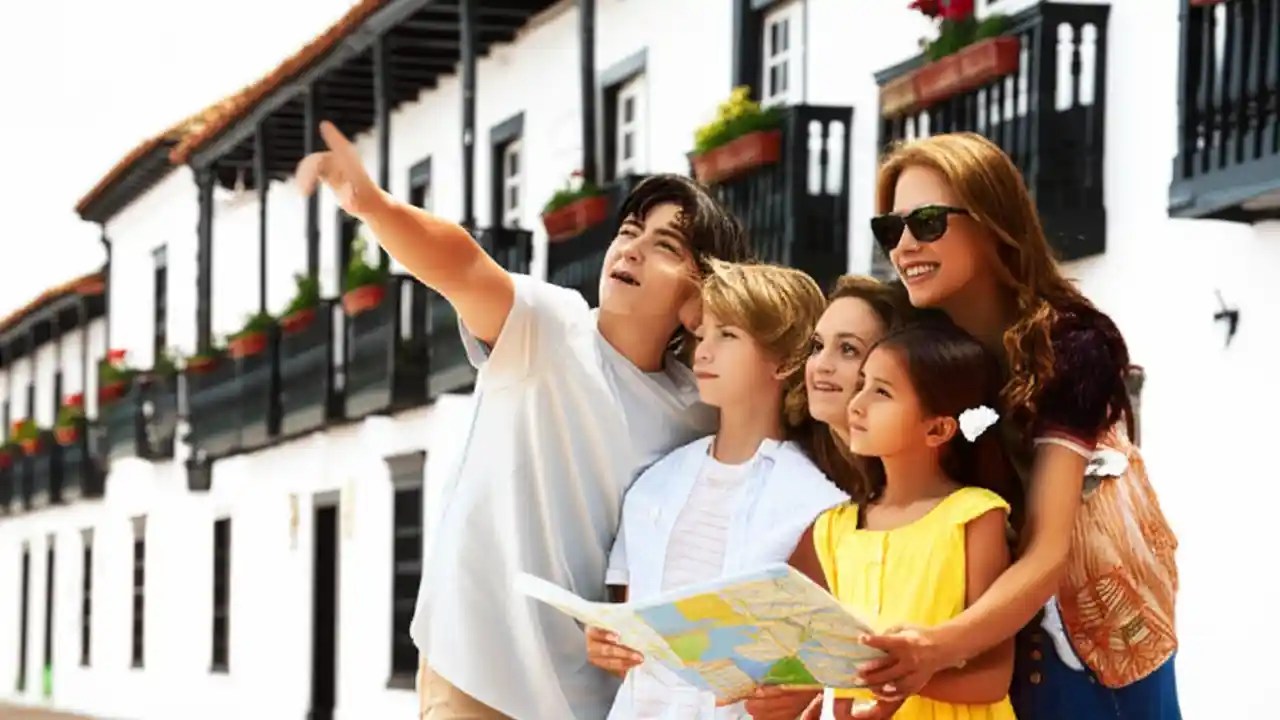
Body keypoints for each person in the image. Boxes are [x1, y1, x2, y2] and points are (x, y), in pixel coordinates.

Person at [297, 121, 753, 719]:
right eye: (629, 231)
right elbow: (460, 264)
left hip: (595, 696)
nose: (632, 248)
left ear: (697, 299)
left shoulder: (697, 411)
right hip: (477, 671)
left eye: (666, 246)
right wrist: (374, 207)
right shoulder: (549, 325)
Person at [856, 132, 1181, 719]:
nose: (903, 247)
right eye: (890, 229)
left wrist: (937, 646)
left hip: (1082, 649)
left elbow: (1047, 545)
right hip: (955, 647)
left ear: (991, 221)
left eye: (926, 222)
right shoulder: (910, 346)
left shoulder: (1073, 343)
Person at [584, 261, 850, 719]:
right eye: (701, 335)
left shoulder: (817, 504)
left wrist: (804, 691)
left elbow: (830, 665)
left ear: (786, 359)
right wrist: (607, 645)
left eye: (727, 335)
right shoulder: (653, 486)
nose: (702, 353)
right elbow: (634, 636)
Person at [794, 322, 1020, 720]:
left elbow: (993, 678)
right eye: (861, 384)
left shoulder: (974, 516)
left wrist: (888, 683)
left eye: (881, 392)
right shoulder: (833, 529)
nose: (856, 403)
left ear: (937, 429)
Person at [741, 275, 911, 720]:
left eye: (849, 350)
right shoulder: (808, 481)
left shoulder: (914, 493)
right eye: (818, 346)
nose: (822, 365)